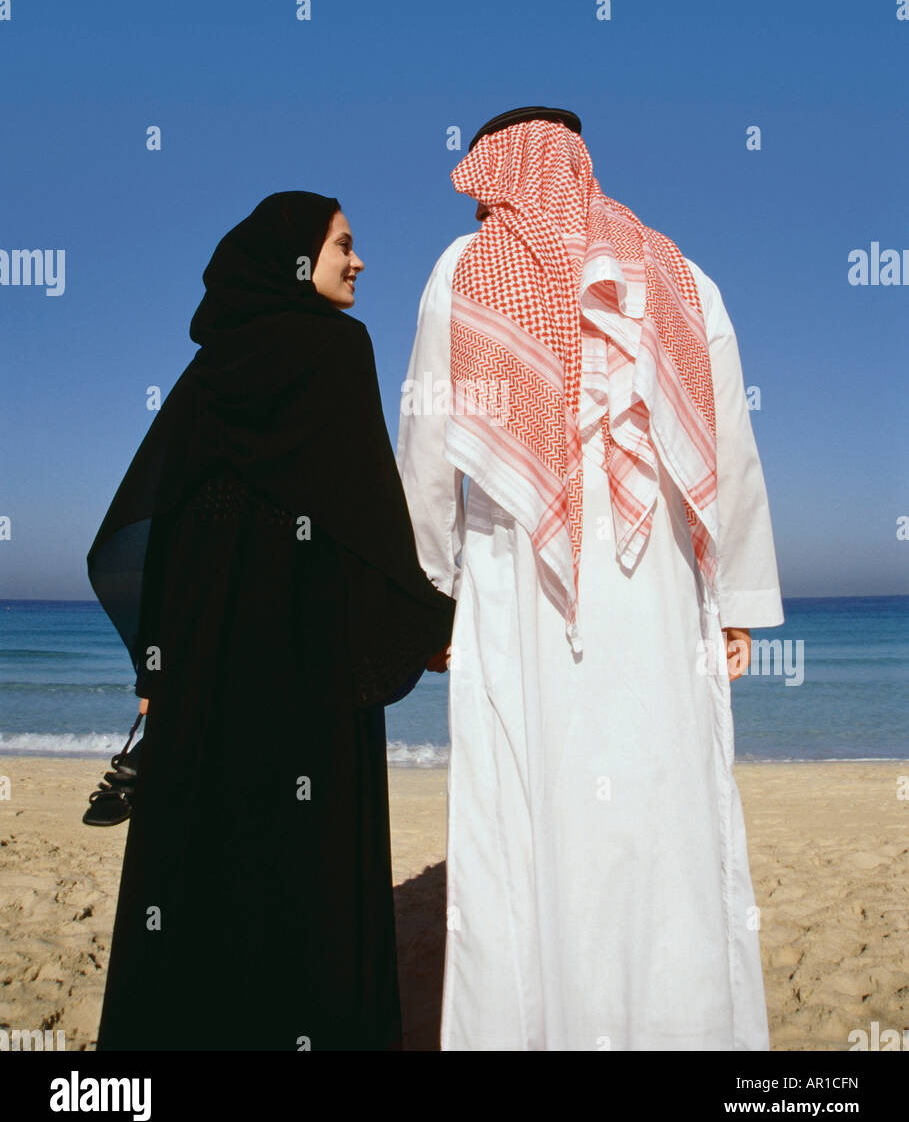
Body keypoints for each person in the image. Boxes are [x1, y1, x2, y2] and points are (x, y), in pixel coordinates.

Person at [396, 108, 785, 1051]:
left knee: (527, 822)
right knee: (667, 812)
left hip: (513, 579)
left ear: (493, 168)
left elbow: (425, 447)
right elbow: (729, 454)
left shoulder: (464, 269)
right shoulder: (683, 277)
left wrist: (430, 589)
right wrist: (731, 601)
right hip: (657, 590)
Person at [89, 190, 455, 1051]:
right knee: (305, 863)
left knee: (202, 859)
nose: (358, 261)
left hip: (208, 665)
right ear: (297, 257)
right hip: (304, 662)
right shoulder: (335, 348)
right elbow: (367, 519)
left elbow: (165, 531)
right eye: (344, 245)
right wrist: (427, 617)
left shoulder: (213, 370)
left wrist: (154, 672)